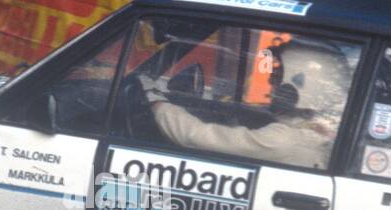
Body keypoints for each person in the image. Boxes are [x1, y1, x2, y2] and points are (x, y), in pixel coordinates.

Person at [141, 42, 351, 169]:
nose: (272, 85)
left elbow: (195, 137)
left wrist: (156, 102)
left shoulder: (282, 140)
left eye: (278, 80)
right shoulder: (321, 133)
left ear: (297, 87)